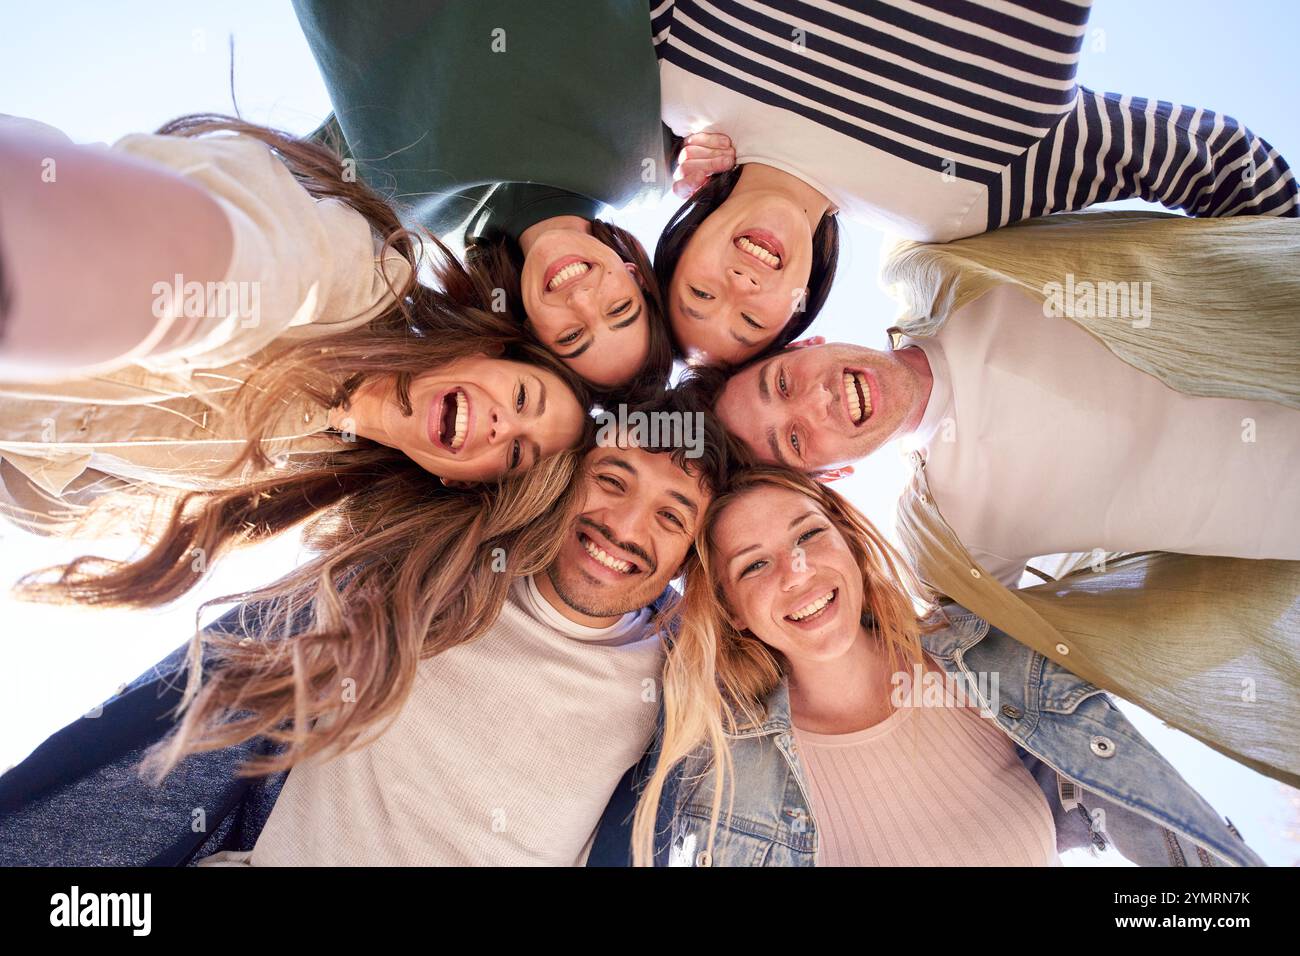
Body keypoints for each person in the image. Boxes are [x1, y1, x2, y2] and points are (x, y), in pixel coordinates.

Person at [681, 210, 1300, 789]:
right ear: (828, 475)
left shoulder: (948, 264)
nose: (817, 403)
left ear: (804, 346)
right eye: (793, 439)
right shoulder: (951, 534)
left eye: (782, 383)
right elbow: (958, 673)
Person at [0, 392, 735, 866]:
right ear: (566, 476)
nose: (626, 527)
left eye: (672, 516)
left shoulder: (679, 682)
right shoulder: (436, 565)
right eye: (611, 481)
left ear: (689, 555)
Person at [621, 466, 1263, 866]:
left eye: (809, 535)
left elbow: (1174, 845)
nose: (798, 572)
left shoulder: (989, 656)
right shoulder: (730, 768)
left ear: (847, 540)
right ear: (731, 611)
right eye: (754, 565)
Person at [650, 0, 1298, 365]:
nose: (738, 289)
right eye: (750, 321)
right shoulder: (957, 202)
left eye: (700, 291)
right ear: (799, 300)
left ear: (688, 232)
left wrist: (651, 140)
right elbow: (1210, 155)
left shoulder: (677, 75)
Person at [0, 114, 592, 505]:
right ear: (484, 348)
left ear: (457, 478)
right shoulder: (364, 275)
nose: (502, 425)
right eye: (521, 398)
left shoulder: (288, 478)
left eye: (517, 452)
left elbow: (57, 473)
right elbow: (263, 256)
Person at [292, 0, 734, 393]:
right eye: (619, 308)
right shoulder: (656, 158)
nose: (582, 299)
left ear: (532, 332)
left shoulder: (396, 226)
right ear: (635, 275)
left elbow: (274, 182)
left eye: (571, 336)